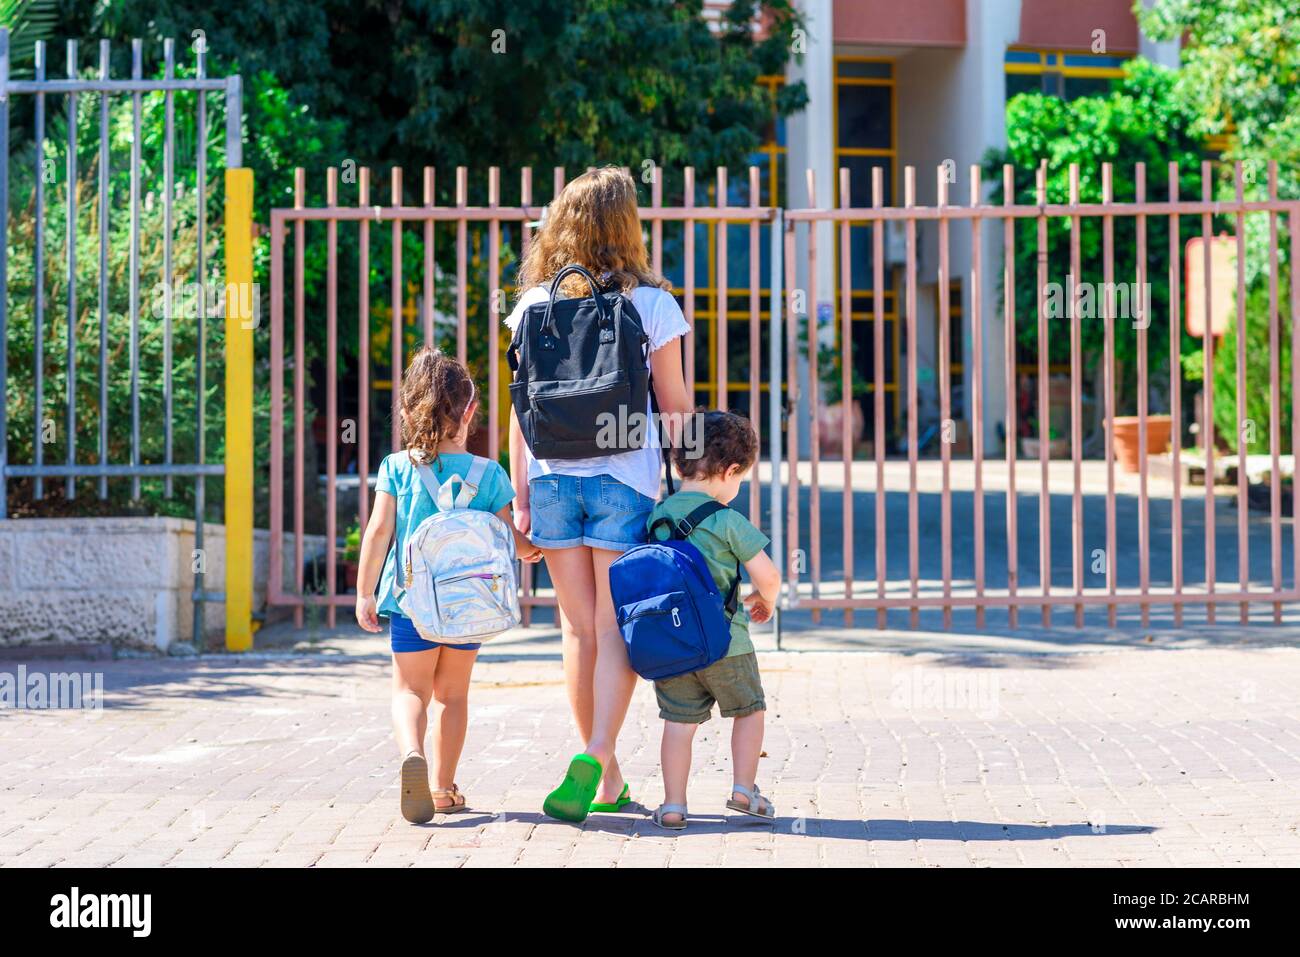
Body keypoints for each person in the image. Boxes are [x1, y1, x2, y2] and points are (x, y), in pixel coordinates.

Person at [504, 166, 692, 821]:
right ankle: (597, 753)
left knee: (576, 629)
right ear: (628, 226)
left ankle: (606, 780)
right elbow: (674, 411)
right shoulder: (653, 305)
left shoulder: (531, 306)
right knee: (615, 628)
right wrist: (692, 490)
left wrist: (520, 499)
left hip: (552, 477)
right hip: (625, 479)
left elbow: (518, 412)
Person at [354, 347, 541, 824]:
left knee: (409, 692)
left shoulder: (397, 468)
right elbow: (508, 540)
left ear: (406, 410)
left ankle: (411, 754)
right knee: (452, 696)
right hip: (468, 607)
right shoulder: (490, 473)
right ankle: (442, 788)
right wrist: (534, 550)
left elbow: (378, 533)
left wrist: (365, 592)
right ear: (470, 411)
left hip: (410, 603)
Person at [644, 411, 780, 829]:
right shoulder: (726, 520)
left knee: (678, 724)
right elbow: (769, 576)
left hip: (675, 648)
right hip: (728, 644)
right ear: (730, 470)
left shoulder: (657, 518)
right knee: (749, 711)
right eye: (740, 479)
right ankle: (743, 788)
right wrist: (764, 600)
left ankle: (673, 804)